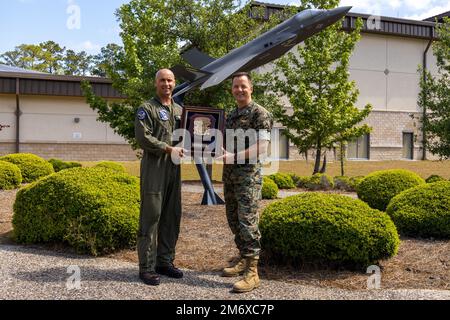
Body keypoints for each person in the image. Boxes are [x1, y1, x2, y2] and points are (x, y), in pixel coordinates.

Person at [217, 72, 273, 293]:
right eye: (235, 87)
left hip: (248, 178)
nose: (239, 90)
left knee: (247, 223)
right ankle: (242, 258)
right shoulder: (231, 115)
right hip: (230, 177)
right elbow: (224, 143)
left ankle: (253, 273)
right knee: (233, 220)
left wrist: (233, 157)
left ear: (251, 88)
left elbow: (262, 148)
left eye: (243, 86)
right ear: (232, 90)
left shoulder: (260, 114)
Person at [134, 69, 186, 286]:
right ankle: (147, 267)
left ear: (175, 83)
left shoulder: (181, 110)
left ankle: (164, 262)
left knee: (171, 216)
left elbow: (188, 136)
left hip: (174, 168)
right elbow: (142, 137)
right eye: (162, 80)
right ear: (156, 83)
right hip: (155, 166)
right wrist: (167, 148)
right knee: (152, 216)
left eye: (170, 80)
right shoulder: (147, 109)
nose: (166, 84)